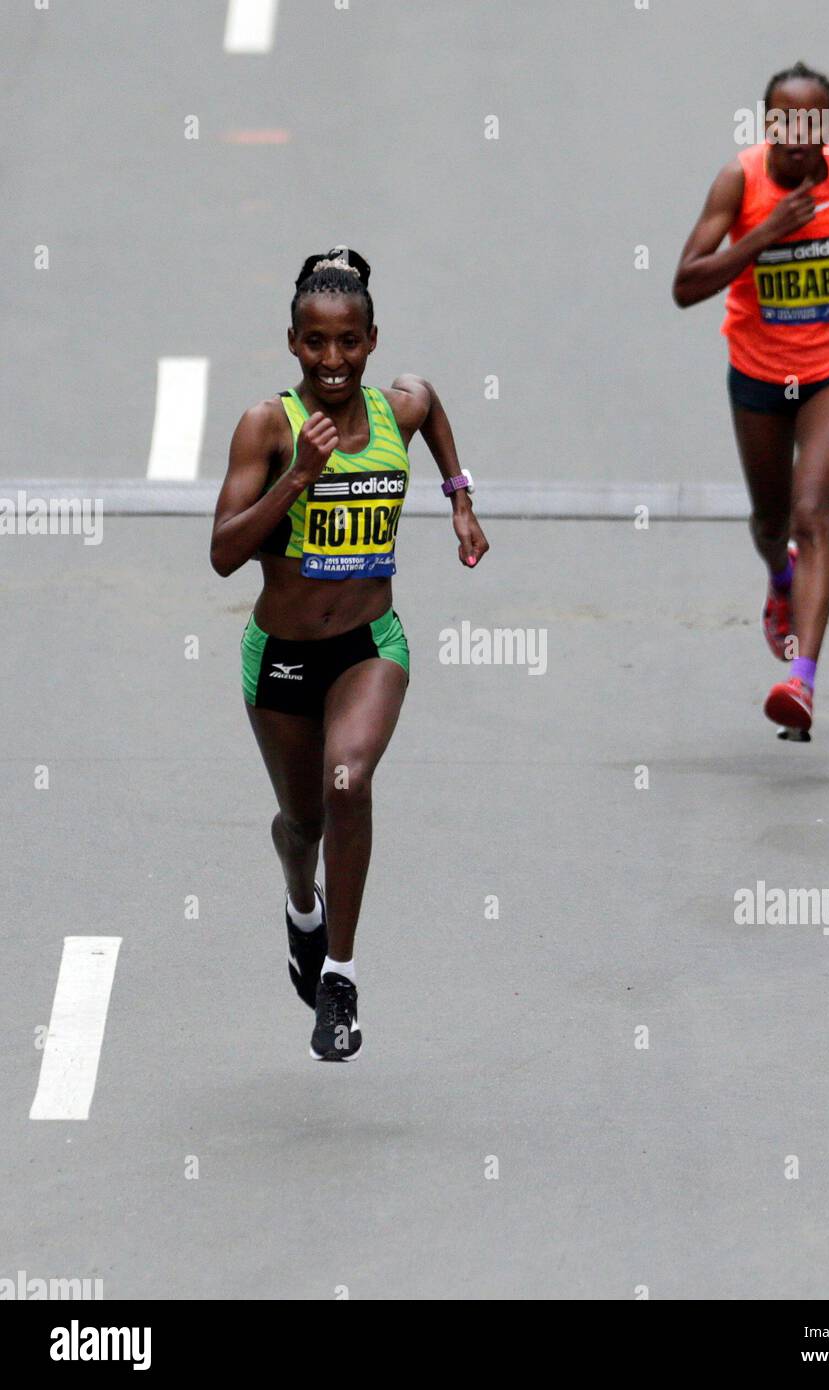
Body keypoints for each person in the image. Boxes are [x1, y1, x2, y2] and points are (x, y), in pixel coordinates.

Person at [211, 248, 489, 1059]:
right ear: (292, 343)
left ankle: (340, 976)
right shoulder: (268, 426)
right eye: (315, 343)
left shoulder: (396, 408)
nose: (332, 360)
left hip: (371, 645)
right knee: (302, 823)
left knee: (348, 782)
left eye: (349, 342)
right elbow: (225, 553)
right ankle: (303, 906)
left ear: (371, 341)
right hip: (284, 660)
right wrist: (298, 477)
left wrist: (460, 501)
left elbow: (431, 405)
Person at [672, 62, 829, 736]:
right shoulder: (740, 180)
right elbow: (685, 284)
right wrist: (763, 235)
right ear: (767, 123)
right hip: (758, 371)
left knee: (814, 513)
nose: (800, 136)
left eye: (815, 123)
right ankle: (780, 580)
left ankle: (800, 683)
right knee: (771, 523)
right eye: (786, 120)